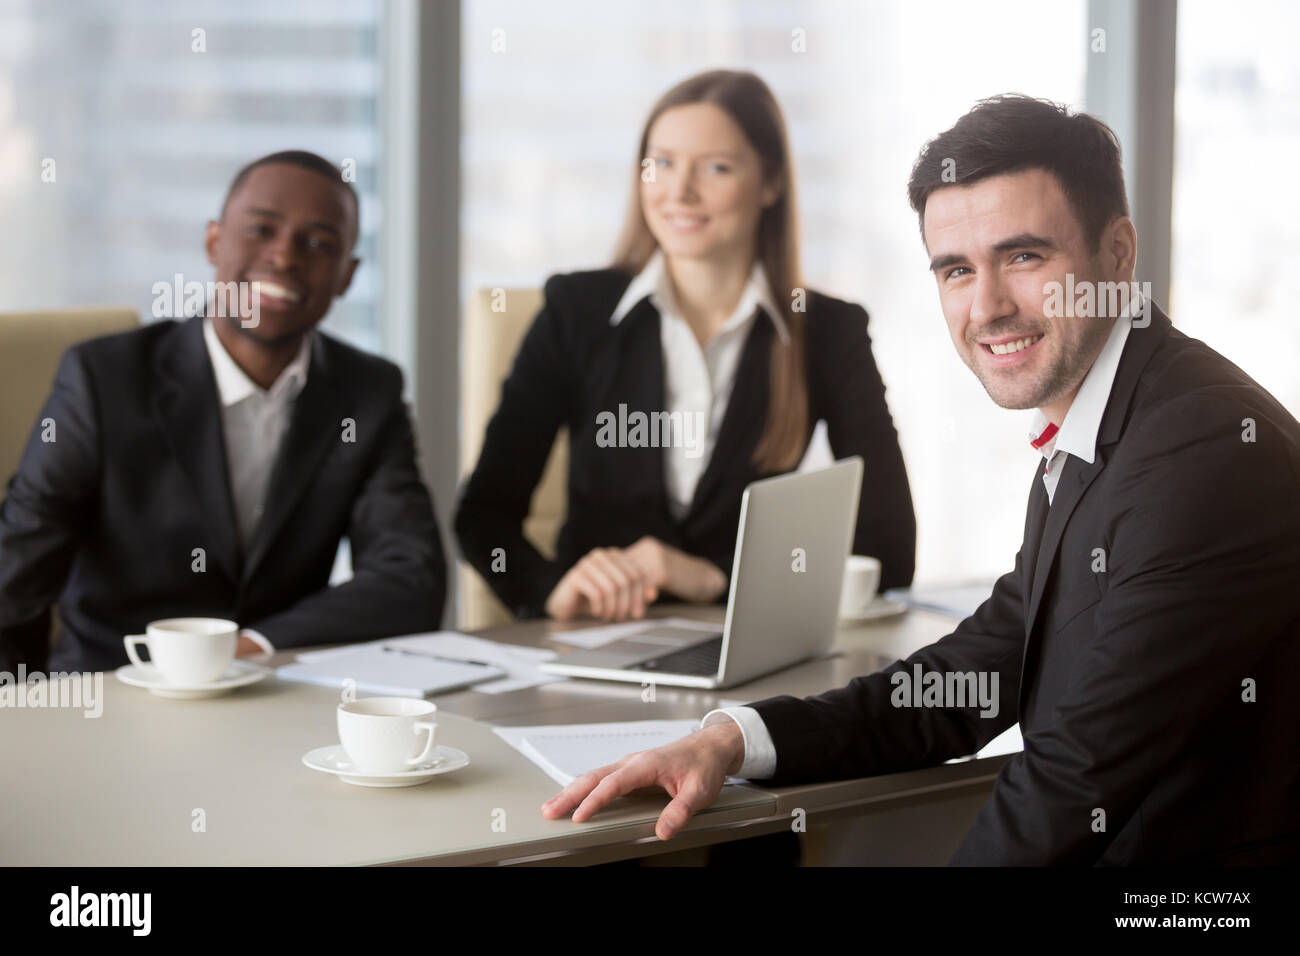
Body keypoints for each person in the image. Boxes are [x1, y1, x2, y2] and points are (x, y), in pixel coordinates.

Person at [541, 95, 1300, 865]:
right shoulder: (1115, 418)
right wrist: (731, 741)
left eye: (1025, 257)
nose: (988, 307)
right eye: (957, 270)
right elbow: (968, 679)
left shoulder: (1204, 451)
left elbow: (1074, 777)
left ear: (1120, 252)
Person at [455, 70, 916, 623]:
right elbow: (481, 517)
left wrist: (716, 576)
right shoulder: (575, 312)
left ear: (771, 184)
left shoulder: (826, 332)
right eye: (662, 164)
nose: (679, 192)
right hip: (592, 642)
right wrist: (549, 589)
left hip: (743, 649)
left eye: (716, 167)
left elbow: (888, 552)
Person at [0, 150, 447, 673]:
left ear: (347, 275)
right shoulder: (104, 379)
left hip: (275, 691)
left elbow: (411, 578)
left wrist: (251, 648)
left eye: (320, 243)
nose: (284, 257)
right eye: (261, 230)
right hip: (114, 690)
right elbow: (17, 568)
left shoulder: (368, 392)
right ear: (214, 241)